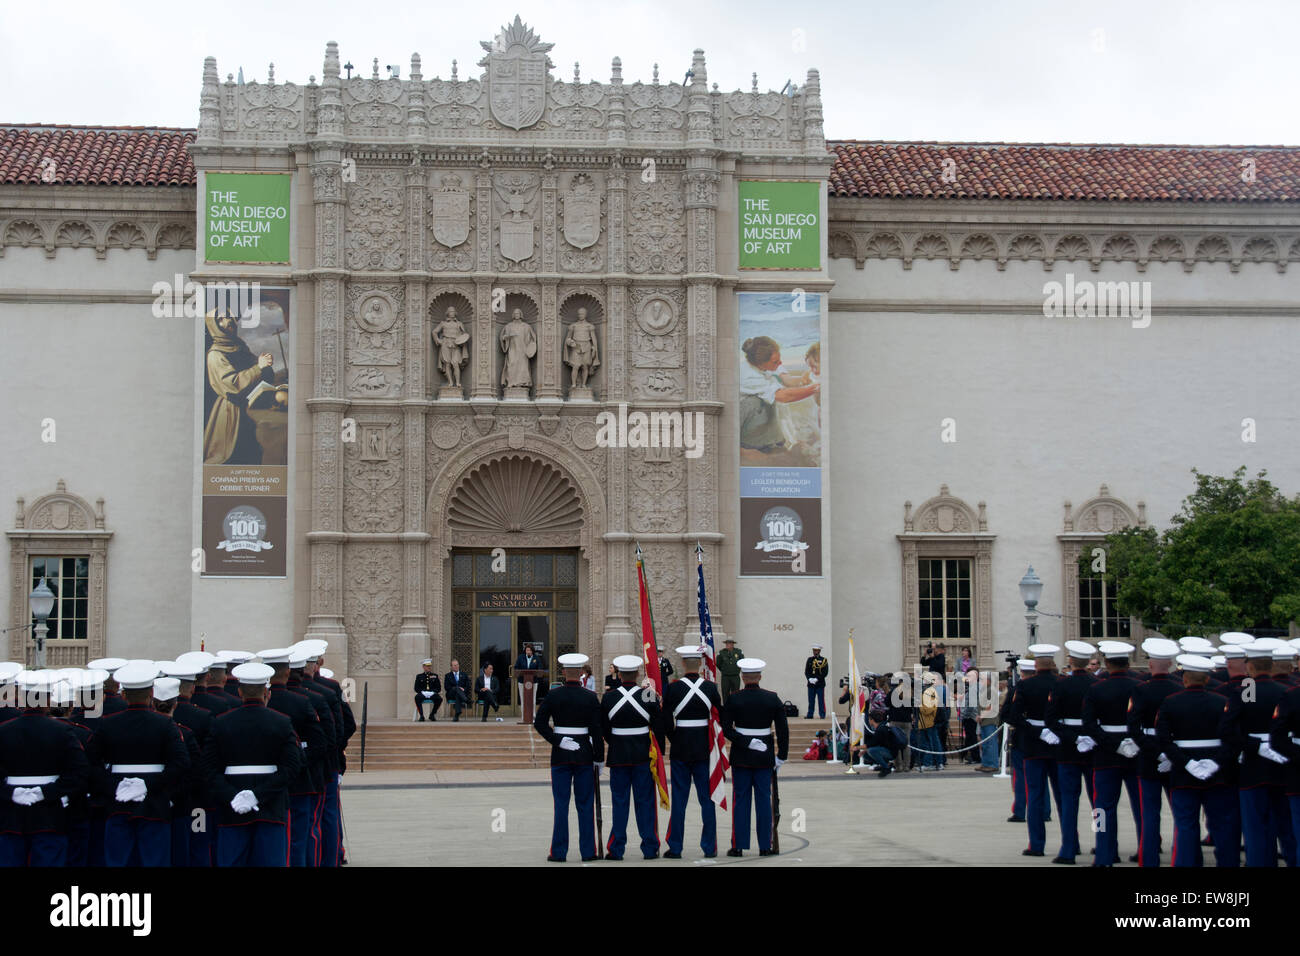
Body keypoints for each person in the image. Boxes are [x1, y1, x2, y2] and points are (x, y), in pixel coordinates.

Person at [85, 661, 189, 867]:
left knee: (117, 860)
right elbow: (181, 763)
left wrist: (114, 787)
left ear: (123, 695)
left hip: (118, 801)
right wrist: (150, 786)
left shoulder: (108, 723)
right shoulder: (165, 723)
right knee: (155, 860)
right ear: (151, 692)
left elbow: (90, 763)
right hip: (155, 802)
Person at [202, 661, 302, 867]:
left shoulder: (221, 722)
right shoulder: (281, 722)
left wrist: (233, 795)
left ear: (239, 692)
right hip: (271, 805)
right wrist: (259, 795)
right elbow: (292, 767)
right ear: (267, 692)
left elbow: (209, 769)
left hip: (232, 806)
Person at [1156, 654, 1239, 867]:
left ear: (1184, 679)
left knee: (1185, 824)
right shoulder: (1223, 702)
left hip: (1184, 772)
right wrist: (1215, 762)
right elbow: (1233, 739)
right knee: (1222, 824)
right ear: (1207, 680)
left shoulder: (1170, 702)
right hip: (1218, 773)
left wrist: (1186, 763)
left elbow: (1164, 740)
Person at [0, 671, 88, 866]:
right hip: (50, 814)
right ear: (49, 700)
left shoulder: (4, 730)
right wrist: (46, 793)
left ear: (22, 698)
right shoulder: (63, 731)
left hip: (11, 815)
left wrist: (10, 793)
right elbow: (79, 773)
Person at [1223, 642, 1294, 867]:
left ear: (1250, 667)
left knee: (1255, 826)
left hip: (1253, 764)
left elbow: (1227, 729)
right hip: (1284, 762)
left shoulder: (1247, 691)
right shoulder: (1286, 691)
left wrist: (1250, 745)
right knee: (1287, 823)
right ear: (1271, 666)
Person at [534, 653, 604, 862]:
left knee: (561, 805)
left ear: (563, 672)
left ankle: (558, 852)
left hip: (561, 756)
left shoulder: (554, 695)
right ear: (581, 672)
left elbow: (539, 723)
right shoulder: (590, 697)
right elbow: (597, 731)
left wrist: (557, 740)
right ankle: (588, 851)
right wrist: (599, 758)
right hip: (584, 754)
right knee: (585, 805)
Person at [261, 648, 326, 867]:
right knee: (300, 837)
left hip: (265, 783)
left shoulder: (258, 705)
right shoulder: (303, 701)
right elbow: (320, 743)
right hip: (300, 780)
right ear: (287, 672)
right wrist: (296, 764)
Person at [1081, 640, 1142, 867]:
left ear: (1106, 663)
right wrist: (1131, 742)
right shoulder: (1139, 686)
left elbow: (1089, 724)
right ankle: (1146, 849)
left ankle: (1104, 854)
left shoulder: (1096, 688)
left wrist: (1110, 743)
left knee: (1101, 809)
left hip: (1105, 754)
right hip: (1135, 752)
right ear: (1127, 663)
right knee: (1141, 807)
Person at [721, 658, 788, 857]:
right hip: (764, 754)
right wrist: (781, 756)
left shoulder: (734, 698)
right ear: (759, 676)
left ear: (742, 677)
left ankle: (738, 846)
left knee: (740, 800)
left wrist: (744, 742)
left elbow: (725, 729)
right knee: (763, 800)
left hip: (741, 754)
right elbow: (783, 730)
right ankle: (765, 846)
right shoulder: (772, 698)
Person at [662, 645, 723, 859]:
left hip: (680, 747)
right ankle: (710, 847)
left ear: (682, 664)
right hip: (703, 748)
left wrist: (674, 738)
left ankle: (676, 847)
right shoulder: (710, 688)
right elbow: (718, 716)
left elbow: (666, 720)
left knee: (679, 799)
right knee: (707, 799)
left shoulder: (673, 688)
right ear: (699, 664)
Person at [601, 655, 664, 860]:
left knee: (620, 803)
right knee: (645, 803)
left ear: (619, 675)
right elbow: (658, 723)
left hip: (618, 755)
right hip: (642, 755)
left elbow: (604, 728)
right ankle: (650, 847)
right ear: (637, 674)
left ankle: (616, 849)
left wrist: (616, 741)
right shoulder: (647, 695)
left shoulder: (609, 697)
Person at [1126, 638, 1182, 867]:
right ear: (1170, 664)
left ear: (1150, 665)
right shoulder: (1180, 687)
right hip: (1176, 754)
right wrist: (1169, 753)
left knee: (1149, 812)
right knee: (1180, 813)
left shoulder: (1141, 689)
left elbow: (1133, 727)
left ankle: (1148, 858)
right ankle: (1181, 856)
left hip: (1149, 754)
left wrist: (1154, 752)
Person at [1045, 641, 1099, 864]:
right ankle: (1104, 843)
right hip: (1095, 747)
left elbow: (1051, 719)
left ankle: (1069, 847)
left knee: (1068, 802)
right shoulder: (1097, 684)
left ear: (1070, 661)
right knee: (1099, 803)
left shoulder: (1061, 685)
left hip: (1068, 748)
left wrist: (1073, 737)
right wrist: (1090, 737)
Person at [203, 308, 278, 465]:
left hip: (247, 408)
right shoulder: (215, 354)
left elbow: (254, 366)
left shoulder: (239, 345)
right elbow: (232, 384)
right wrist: (258, 367)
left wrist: (264, 364)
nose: (228, 321)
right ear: (214, 325)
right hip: (230, 410)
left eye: (229, 316)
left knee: (253, 453)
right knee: (231, 455)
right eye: (221, 319)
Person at [1010, 644, 1062, 856]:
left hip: (1032, 745)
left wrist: (1036, 731)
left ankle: (1036, 844)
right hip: (1060, 745)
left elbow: (1014, 717)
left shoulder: (1025, 686)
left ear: (1036, 664)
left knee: (1035, 796)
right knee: (1064, 799)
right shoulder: (1062, 684)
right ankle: (1071, 843)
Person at [738, 336, 820, 452]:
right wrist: (813, 388)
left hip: (763, 411)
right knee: (759, 401)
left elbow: (787, 380)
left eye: (779, 358)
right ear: (761, 363)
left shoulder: (769, 361)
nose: (780, 363)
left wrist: (802, 380)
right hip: (746, 414)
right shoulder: (747, 376)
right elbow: (784, 396)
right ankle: (757, 445)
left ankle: (776, 439)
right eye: (776, 362)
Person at [886, 673, 914, 773]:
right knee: (907, 744)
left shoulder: (894, 692)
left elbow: (887, 703)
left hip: (895, 720)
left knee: (896, 744)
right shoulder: (910, 693)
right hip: (906, 720)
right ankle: (907, 766)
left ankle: (899, 766)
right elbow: (912, 707)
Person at [804, 643, 828, 719]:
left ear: (819, 651)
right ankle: (810, 714)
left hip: (820, 684)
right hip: (811, 684)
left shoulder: (823, 660)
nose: (815, 652)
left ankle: (822, 714)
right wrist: (809, 679)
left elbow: (825, 672)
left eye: (816, 650)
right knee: (811, 700)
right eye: (814, 650)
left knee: (821, 700)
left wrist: (817, 679)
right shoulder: (809, 659)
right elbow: (806, 671)